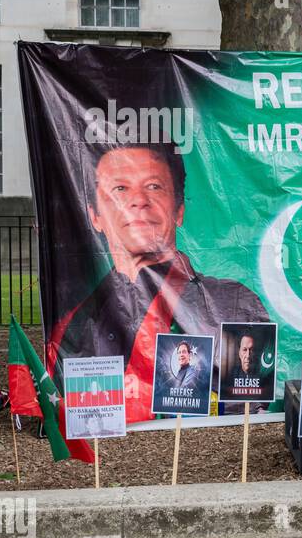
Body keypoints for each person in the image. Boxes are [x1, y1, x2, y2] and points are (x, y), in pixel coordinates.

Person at [49, 139, 269, 414]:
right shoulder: (72, 327)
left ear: (179, 210)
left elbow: (248, 407)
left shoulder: (234, 303)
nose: (139, 200)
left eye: (154, 186)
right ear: (95, 217)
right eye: (120, 189)